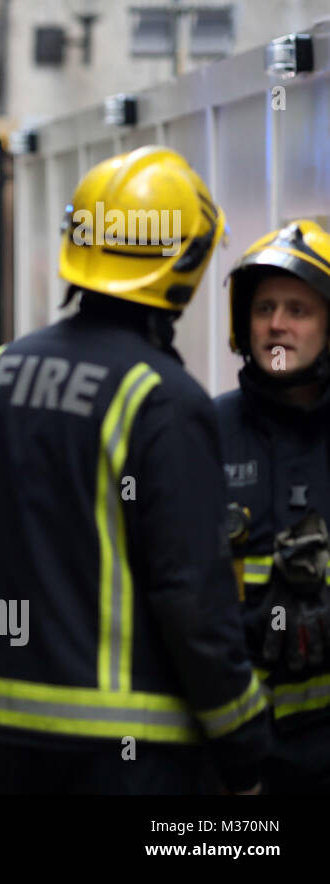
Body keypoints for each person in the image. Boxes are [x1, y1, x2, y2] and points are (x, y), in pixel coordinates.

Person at [0, 146, 270, 794]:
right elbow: (191, 598)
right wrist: (245, 742)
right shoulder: (165, 399)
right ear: (183, 264)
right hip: (137, 751)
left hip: (17, 735)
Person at [216, 219, 330, 794]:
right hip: (235, 753)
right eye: (264, 309)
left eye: (298, 310)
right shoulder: (206, 430)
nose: (277, 325)